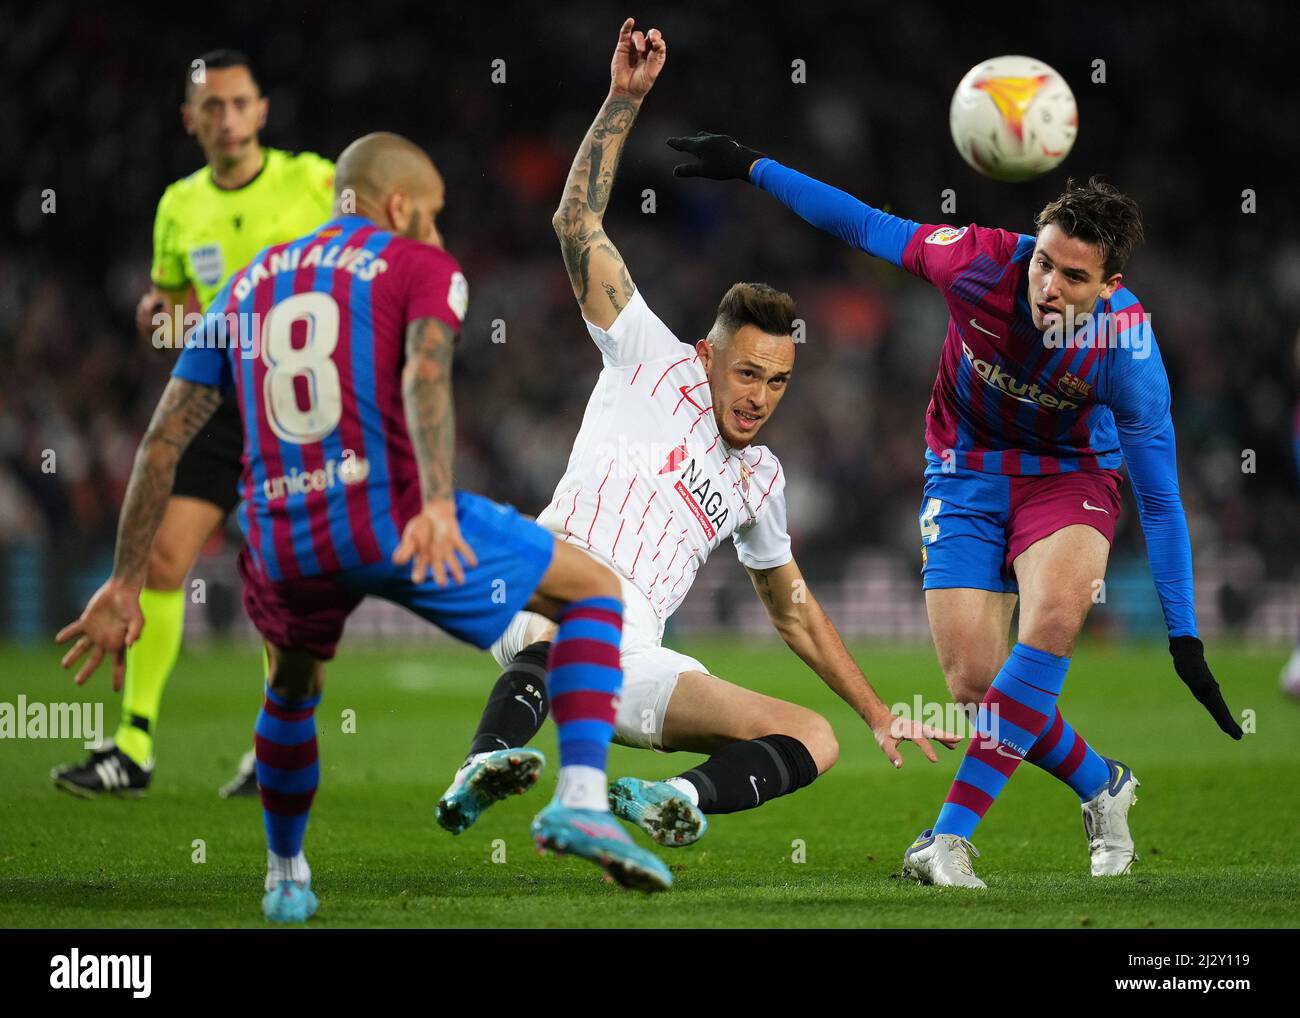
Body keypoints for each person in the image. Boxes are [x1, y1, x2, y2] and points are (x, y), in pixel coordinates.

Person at [56, 131, 673, 923]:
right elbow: (425, 376)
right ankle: (581, 801)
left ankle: (285, 876)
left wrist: (125, 577)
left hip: (281, 537)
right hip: (393, 519)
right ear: (398, 205)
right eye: (437, 215)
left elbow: (163, 438)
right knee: (592, 591)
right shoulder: (419, 265)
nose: (443, 234)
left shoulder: (243, 288)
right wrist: (440, 501)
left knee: (291, 689)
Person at [667, 131, 1242, 885]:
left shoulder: (1128, 356)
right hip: (964, 468)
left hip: (1067, 476)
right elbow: (863, 224)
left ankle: (944, 839)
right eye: (1043, 262)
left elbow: (1161, 503)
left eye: (1074, 277)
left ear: (1110, 284)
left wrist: (1185, 639)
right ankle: (1103, 783)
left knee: (1054, 623)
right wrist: (752, 165)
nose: (1049, 287)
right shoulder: (973, 261)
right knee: (975, 684)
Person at [436, 19, 956, 850]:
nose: (758, 397)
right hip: (541, 592)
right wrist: (621, 101)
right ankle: (485, 761)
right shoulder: (649, 353)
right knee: (579, 613)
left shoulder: (762, 481)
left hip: (629, 653)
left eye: (778, 382)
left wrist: (875, 711)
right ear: (709, 354)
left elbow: (794, 611)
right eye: (746, 373)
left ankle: (667, 799)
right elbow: (576, 225)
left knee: (811, 738)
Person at [52, 49, 335, 799]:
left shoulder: (312, 179)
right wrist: (155, 318)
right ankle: (133, 746)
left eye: (240, 103)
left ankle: (275, 746)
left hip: (297, 410)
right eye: (212, 106)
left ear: (262, 110)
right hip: (218, 397)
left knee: (281, 581)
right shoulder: (179, 204)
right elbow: (170, 318)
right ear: (190, 119)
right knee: (162, 560)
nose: (229, 118)